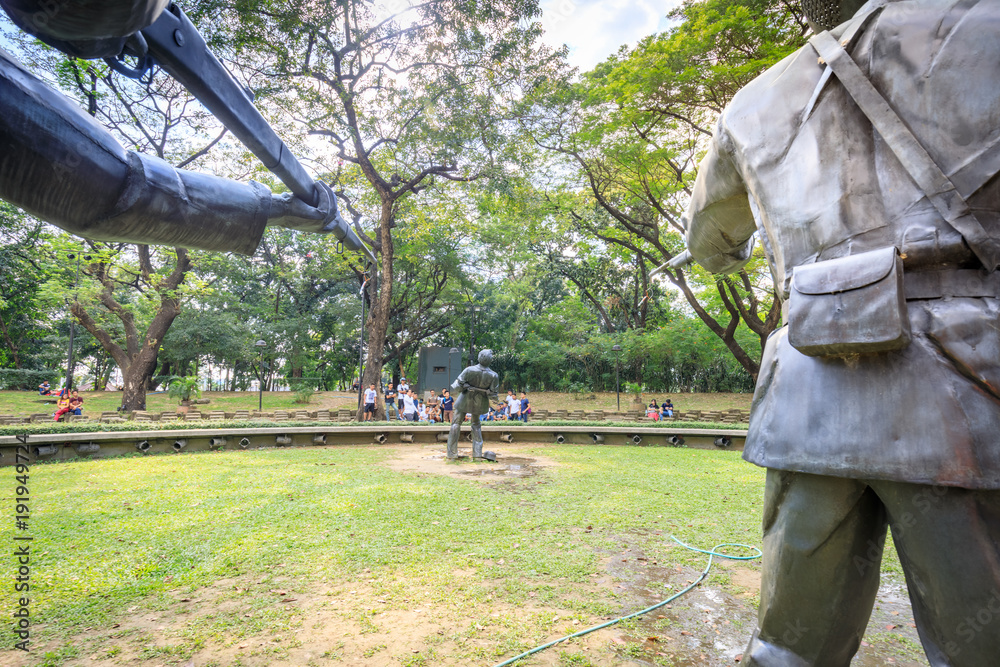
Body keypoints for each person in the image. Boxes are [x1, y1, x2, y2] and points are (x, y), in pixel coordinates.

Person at [674, 0, 1000, 662]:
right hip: (964, 386)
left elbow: (710, 238)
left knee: (787, 650)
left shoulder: (753, 102)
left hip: (809, 398)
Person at [446, 349, 499, 459]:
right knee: (476, 425)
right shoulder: (494, 375)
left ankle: (451, 454)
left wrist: (464, 386)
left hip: (464, 400)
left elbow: (457, 386)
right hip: (480, 403)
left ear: (479, 357)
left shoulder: (469, 370)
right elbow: (493, 395)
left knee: (456, 424)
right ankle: (477, 454)